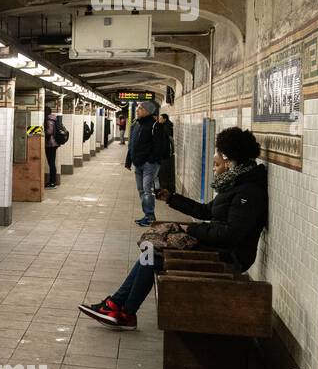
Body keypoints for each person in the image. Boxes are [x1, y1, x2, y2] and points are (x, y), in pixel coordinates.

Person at [79, 127, 267, 329]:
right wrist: (172, 198)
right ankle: (120, 308)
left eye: (216, 163)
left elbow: (231, 234)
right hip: (218, 247)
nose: (214, 168)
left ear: (230, 161)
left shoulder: (248, 191)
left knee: (153, 256)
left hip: (231, 256)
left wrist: (190, 230)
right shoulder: (234, 184)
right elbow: (205, 212)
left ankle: (121, 309)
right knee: (150, 251)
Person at [125, 100, 169, 225]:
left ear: (147, 111)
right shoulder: (136, 124)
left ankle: (149, 217)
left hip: (149, 164)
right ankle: (147, 215)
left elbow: (159, 146)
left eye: (139, 108)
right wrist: (129, 161)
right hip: (137, 163)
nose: (137, 111)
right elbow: (131, 144)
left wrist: (151, 160)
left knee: (147, 190)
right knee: (141, 190)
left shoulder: (155, 125)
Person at [155, 111, 176, 193]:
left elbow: (168, 142)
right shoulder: (166, 126)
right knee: (165, 173)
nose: (159, 119)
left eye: (160, 118)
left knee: (164, 173)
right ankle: (166, 189)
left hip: (166, 155)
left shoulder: (166, 128)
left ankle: (165, 189)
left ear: (165, 119)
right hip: (167, 155)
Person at [43, 105, 63, 189]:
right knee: (51, 163)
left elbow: (49, 132)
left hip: (51, 144)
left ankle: (52, 182)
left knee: (51, 163)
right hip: (53, 144)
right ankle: (52, 182)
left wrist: (41, 132)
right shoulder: (53, 119)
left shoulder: (49, 119)